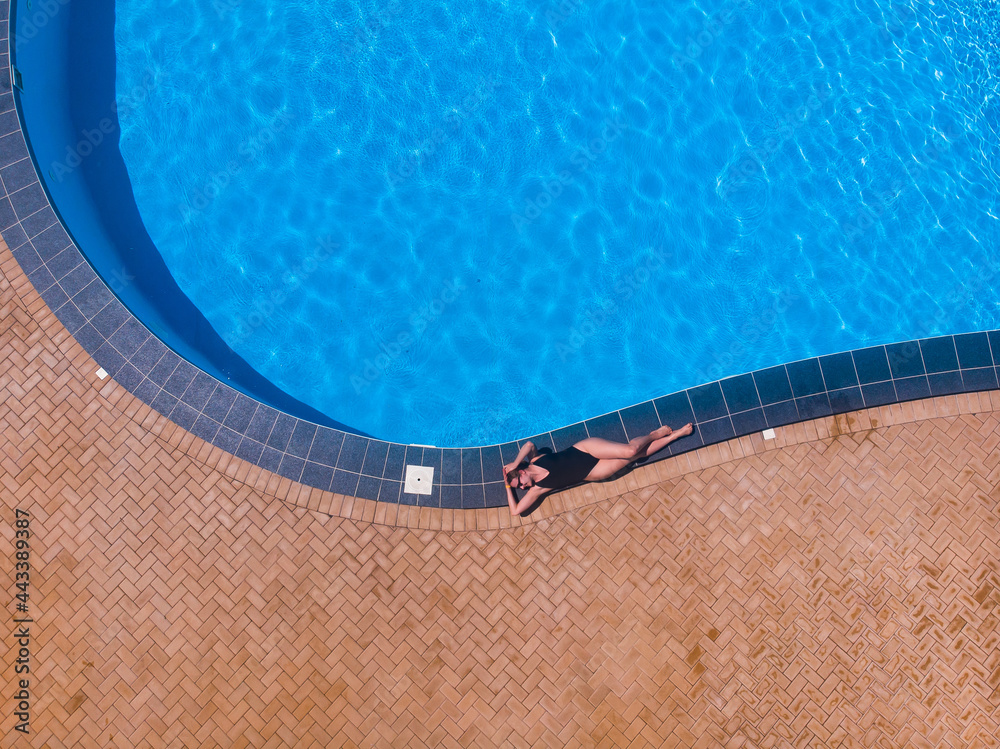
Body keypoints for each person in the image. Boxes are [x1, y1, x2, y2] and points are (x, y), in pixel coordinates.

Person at [502, 423, 694, 516]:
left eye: (520, 484)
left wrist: (514, 461)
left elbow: (528, 445)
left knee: (631, 449)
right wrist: (508, 486)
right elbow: (515, 511)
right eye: (520, 489)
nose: (524, 488)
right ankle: (673, 436)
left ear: (522, 472)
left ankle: (654, 435)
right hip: (593, 471)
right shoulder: (538, 489)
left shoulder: (535, 459)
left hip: (585, 448)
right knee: (636, 456)